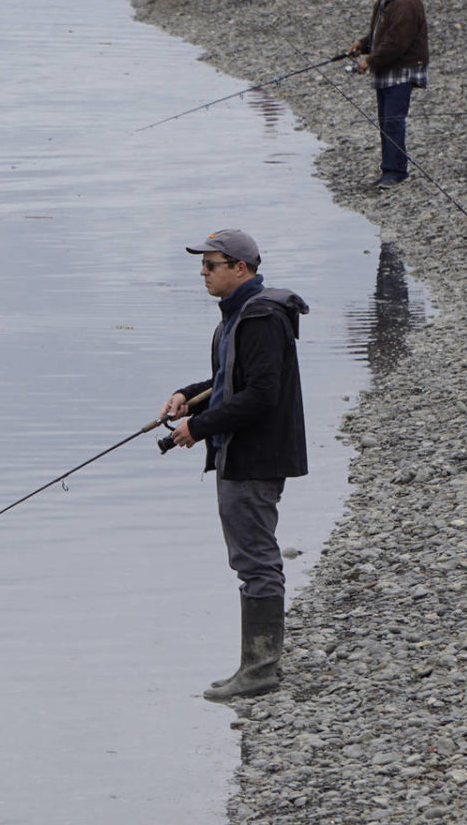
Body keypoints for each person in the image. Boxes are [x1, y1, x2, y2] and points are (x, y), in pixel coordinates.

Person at [158, 229, 309, 703]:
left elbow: (262, 396)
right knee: (250, 559)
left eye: (210, 265)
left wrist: (197, 429)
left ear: (238, 268)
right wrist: (188, 395)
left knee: (255, 560)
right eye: (202, 266)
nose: (202, 274)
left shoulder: (260, 317)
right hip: (240, 453)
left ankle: (261, 669)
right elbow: (230, 378)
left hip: (254, 457)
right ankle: (253, 664)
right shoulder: (238, 317)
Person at [349, 0, 429, 189]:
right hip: (387, 69)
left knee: (393, 121)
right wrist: (362, 44)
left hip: (402, 70)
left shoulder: (407, 2)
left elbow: (396, 43)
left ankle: (396, 172)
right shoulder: (385, 0)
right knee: (385, 121)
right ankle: (389, 169)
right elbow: (380, 35)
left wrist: (369, 61)